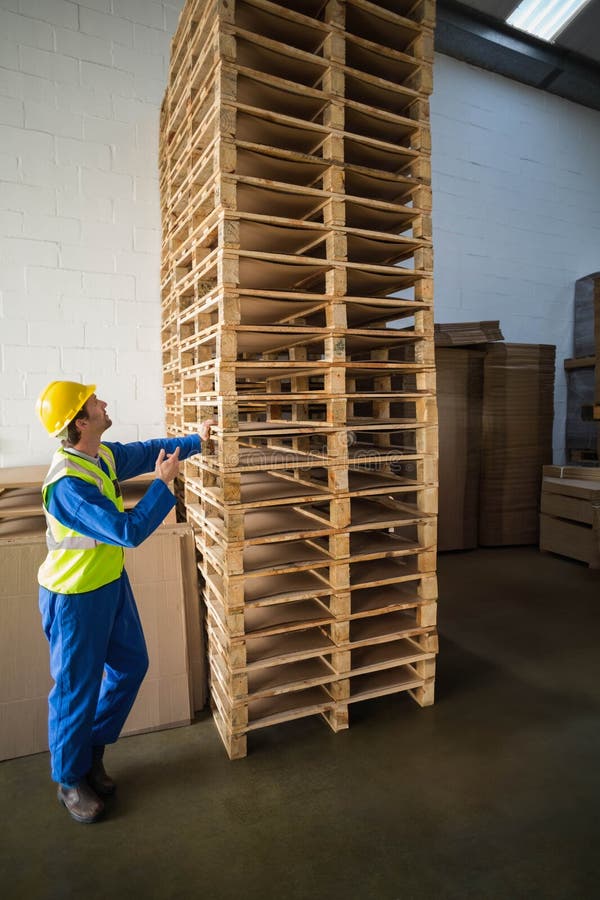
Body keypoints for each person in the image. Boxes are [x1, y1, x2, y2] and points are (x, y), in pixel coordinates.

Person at [35, 380, 212, 824]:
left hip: (109, 584)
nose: (104, 403)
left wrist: (196, 441)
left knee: (131, 666)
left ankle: (91, 752)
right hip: (74, 597)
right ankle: (69, 782)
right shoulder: (68, 486)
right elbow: (127, 530)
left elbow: (147, 448)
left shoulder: (102, 455)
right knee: (76, 691)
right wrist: (162, 483)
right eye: (95, 403)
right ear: (80, 421)